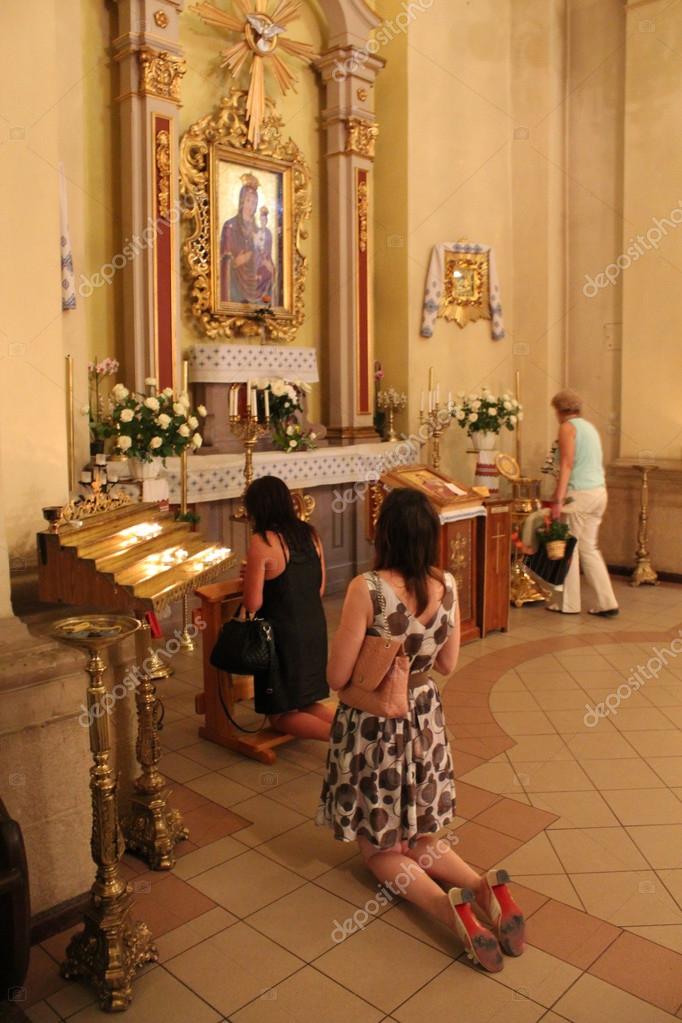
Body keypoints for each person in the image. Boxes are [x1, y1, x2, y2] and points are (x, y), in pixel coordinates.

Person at [316, 488, 525, 971]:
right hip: (424, 717)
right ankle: (481, 887)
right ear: (431, 537)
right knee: (422, 836)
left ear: (383, 532)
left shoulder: (367, 590)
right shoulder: (446, 584)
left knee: (381, 850)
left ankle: (453, 916)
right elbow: (448, 663)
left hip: (375, 728)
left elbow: (335, 677)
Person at [242, 476, 334, 740]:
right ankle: (354, 731)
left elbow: (253, 603)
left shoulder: (263, 541)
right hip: (314, 627)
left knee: (279, 716)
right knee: (307, 700)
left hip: (284, 636)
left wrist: (249, 576)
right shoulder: (310, 533)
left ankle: (340, 740)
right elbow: (319, 587)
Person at [547, 389, 619, 616]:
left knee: (570, 548)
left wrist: (558, 499)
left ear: (559, 410)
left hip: (580, 494)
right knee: (589, 548)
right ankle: (608, 603)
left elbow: (567, 464)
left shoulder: (567, 427)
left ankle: (568, 604)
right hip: (599, 492)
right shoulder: (589, 428)